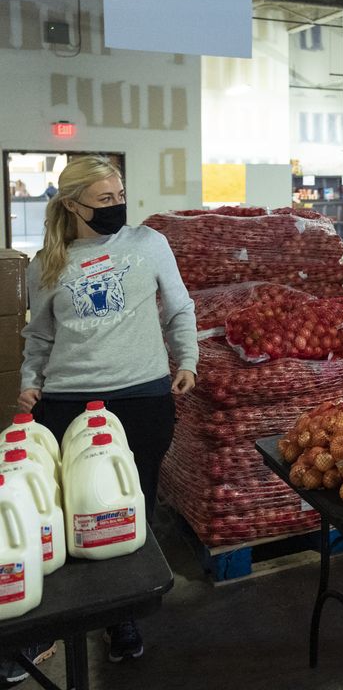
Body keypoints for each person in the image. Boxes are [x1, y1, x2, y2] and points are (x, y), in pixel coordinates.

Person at [7, 155, 197, 683]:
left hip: (142, 396)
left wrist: (187, 361)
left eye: (119, 196)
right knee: (70, 513)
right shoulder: (47, 261)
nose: (117, 207)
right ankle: (54, 622)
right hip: (68, 400)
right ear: (73, 205)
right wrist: (30, 382)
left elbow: (179, 308)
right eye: (104, 200)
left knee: (131, 506)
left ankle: (123, 618)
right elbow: (40, 336)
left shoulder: (148, 245)